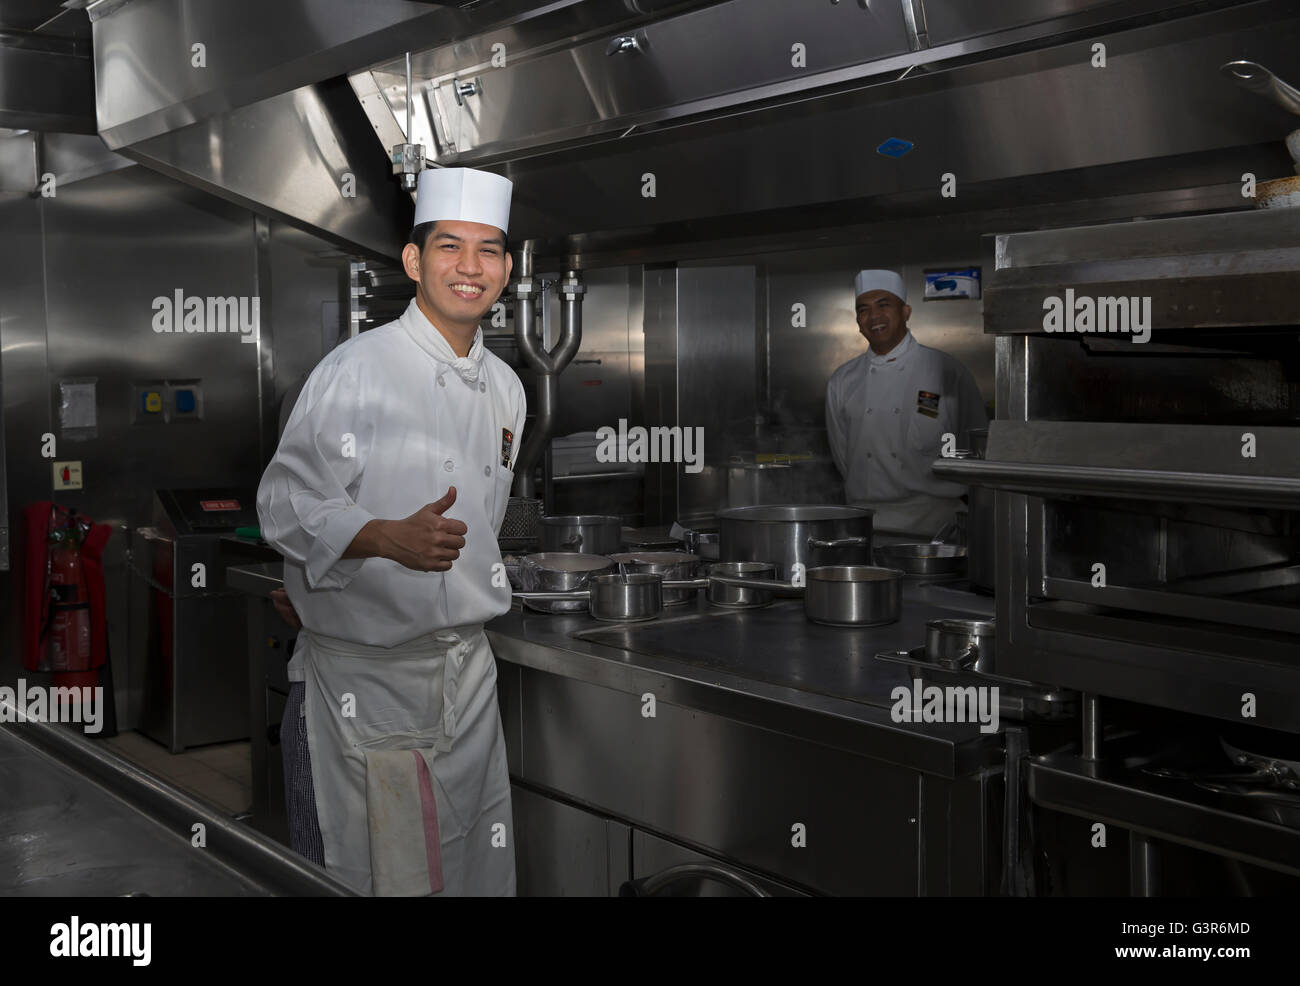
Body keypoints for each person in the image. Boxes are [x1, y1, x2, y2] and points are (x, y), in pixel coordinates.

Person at [257, 166, 525, 896]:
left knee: (471, 871)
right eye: (449, 247)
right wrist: (380, 537)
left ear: (507, 268)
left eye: (490, 250)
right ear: (414, 262)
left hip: (468, 682)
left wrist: (318, 574)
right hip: (367, 690)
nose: (470, 268)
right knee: (375, 875)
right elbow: (283, 504)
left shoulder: (507, 388)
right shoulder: (358, 370)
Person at [825, 269, 987, 537]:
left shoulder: (946, 371)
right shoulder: (842, 381)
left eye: (884, 305)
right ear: (857, 320)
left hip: (937, 527)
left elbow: (978, 451)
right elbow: (843, 457)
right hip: (865, 527)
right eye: (863, 309)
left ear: (906, 312)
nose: (874, 317)